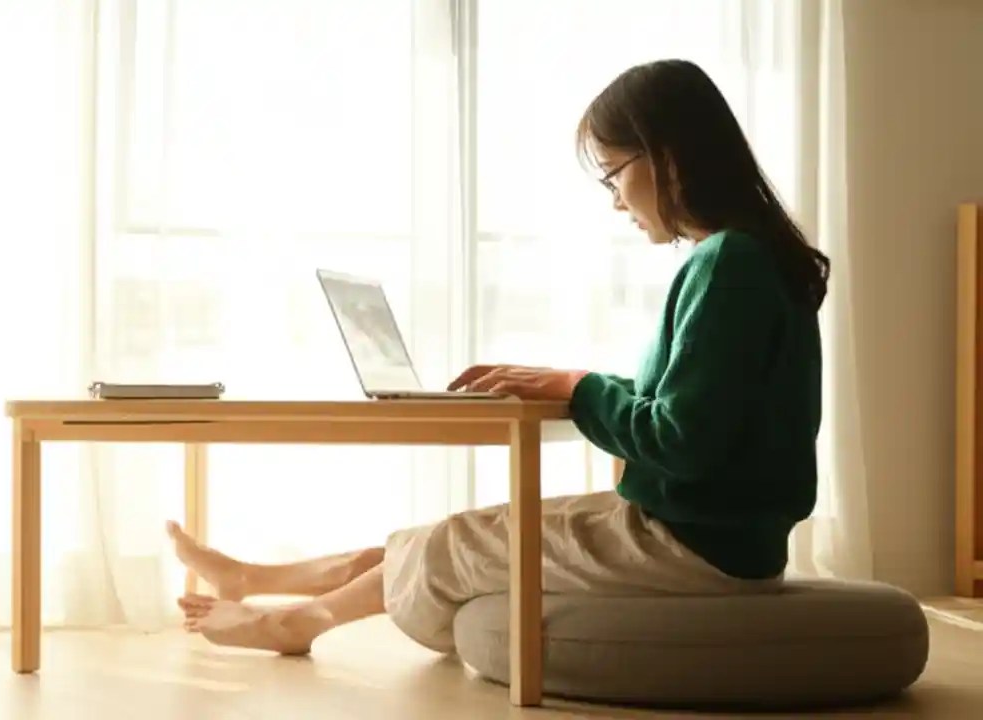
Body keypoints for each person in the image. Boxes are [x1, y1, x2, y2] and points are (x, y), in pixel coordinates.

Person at [166, 58, 830, 656]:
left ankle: (293, 624)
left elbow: (683, 439)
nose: (616, 200)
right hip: (715, 538)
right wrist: (575, 385)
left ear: (667, 157)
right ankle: (253, 579)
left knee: (449, 544)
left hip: (696, 548)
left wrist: (579, 387)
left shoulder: (729, 264)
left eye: (613, 174)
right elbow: (706, 410)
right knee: (435, 537)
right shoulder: (746, 257)